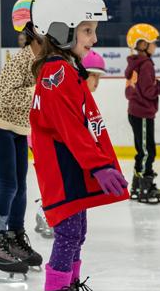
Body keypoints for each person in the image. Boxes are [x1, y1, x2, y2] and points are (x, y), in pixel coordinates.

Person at [27, 0, 130, 291]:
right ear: (60, 29)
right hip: (65, 171)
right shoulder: (55, 73)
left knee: (76, 232)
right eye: (87, 30)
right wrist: (99, 165)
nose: (94, 38)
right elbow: (70, 127)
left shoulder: (67, 69)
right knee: (69, 232)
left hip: (74, 169)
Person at [0, 0, 44, 281]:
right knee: (8, 186)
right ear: (33, 29)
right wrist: (41, 93)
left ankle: (14, 236)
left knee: (21, 188)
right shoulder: (21, 60)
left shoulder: (46, 58)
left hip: (18, 130)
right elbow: (8, 96)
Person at [33, 48, 108, 240]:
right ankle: (49, 213)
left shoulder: (77, 96)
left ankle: (52, 213)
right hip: (49, 146)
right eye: (94, 77)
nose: (97, 83)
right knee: (60, 186)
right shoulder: (65, 91)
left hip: (56, 146)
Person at [124, 24, 160, 204]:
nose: (155, 46)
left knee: (144, 150)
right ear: (142, 44)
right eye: (153, 42)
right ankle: (143, 186)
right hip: (142, 113)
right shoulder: (145, 64)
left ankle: (137, 184)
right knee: (147, 151)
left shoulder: (136, 64)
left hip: (138, 112)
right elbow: (148, 91)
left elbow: (133, 90)